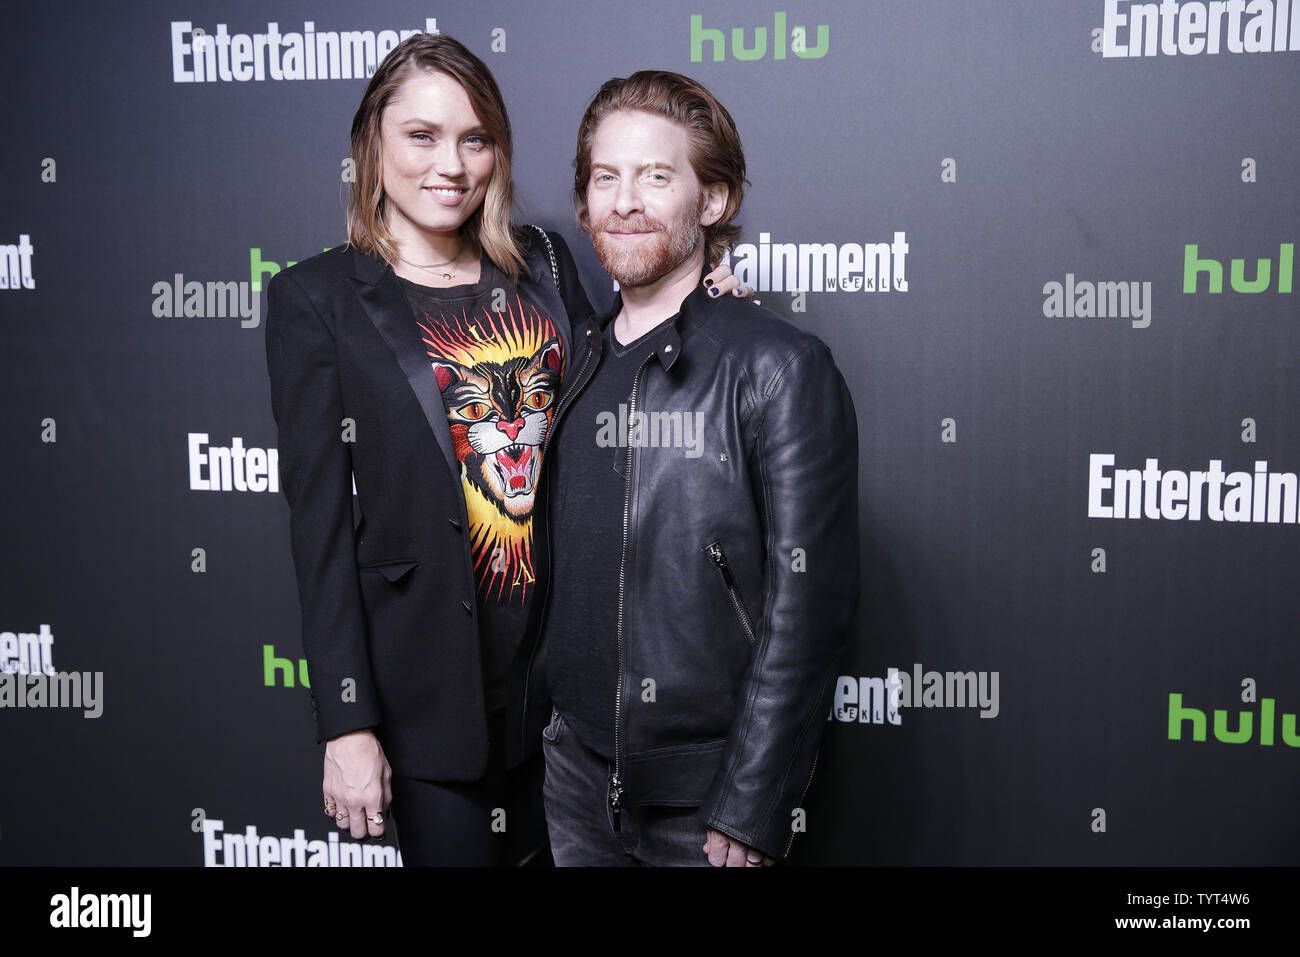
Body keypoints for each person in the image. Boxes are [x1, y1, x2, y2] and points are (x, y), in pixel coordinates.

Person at [264, 36, 743, 866]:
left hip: (564, 698)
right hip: (429, 699)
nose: (451, 164)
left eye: (474, 138)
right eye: (422, 135)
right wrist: (347, 724)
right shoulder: (317, 299)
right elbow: (320, 532)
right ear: (372, 143)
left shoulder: (545, 264)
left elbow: (629, 363)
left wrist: (708, 299)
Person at [539, 71, 860, 867]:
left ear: (712, 201)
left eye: (656, 174)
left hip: (705, 803)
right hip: (573, 777)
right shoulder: (569, 357)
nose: (624, 201)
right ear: (583, 206)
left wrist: (753, 802)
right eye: (605, 178)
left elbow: (808, 610)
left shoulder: (778, 367)